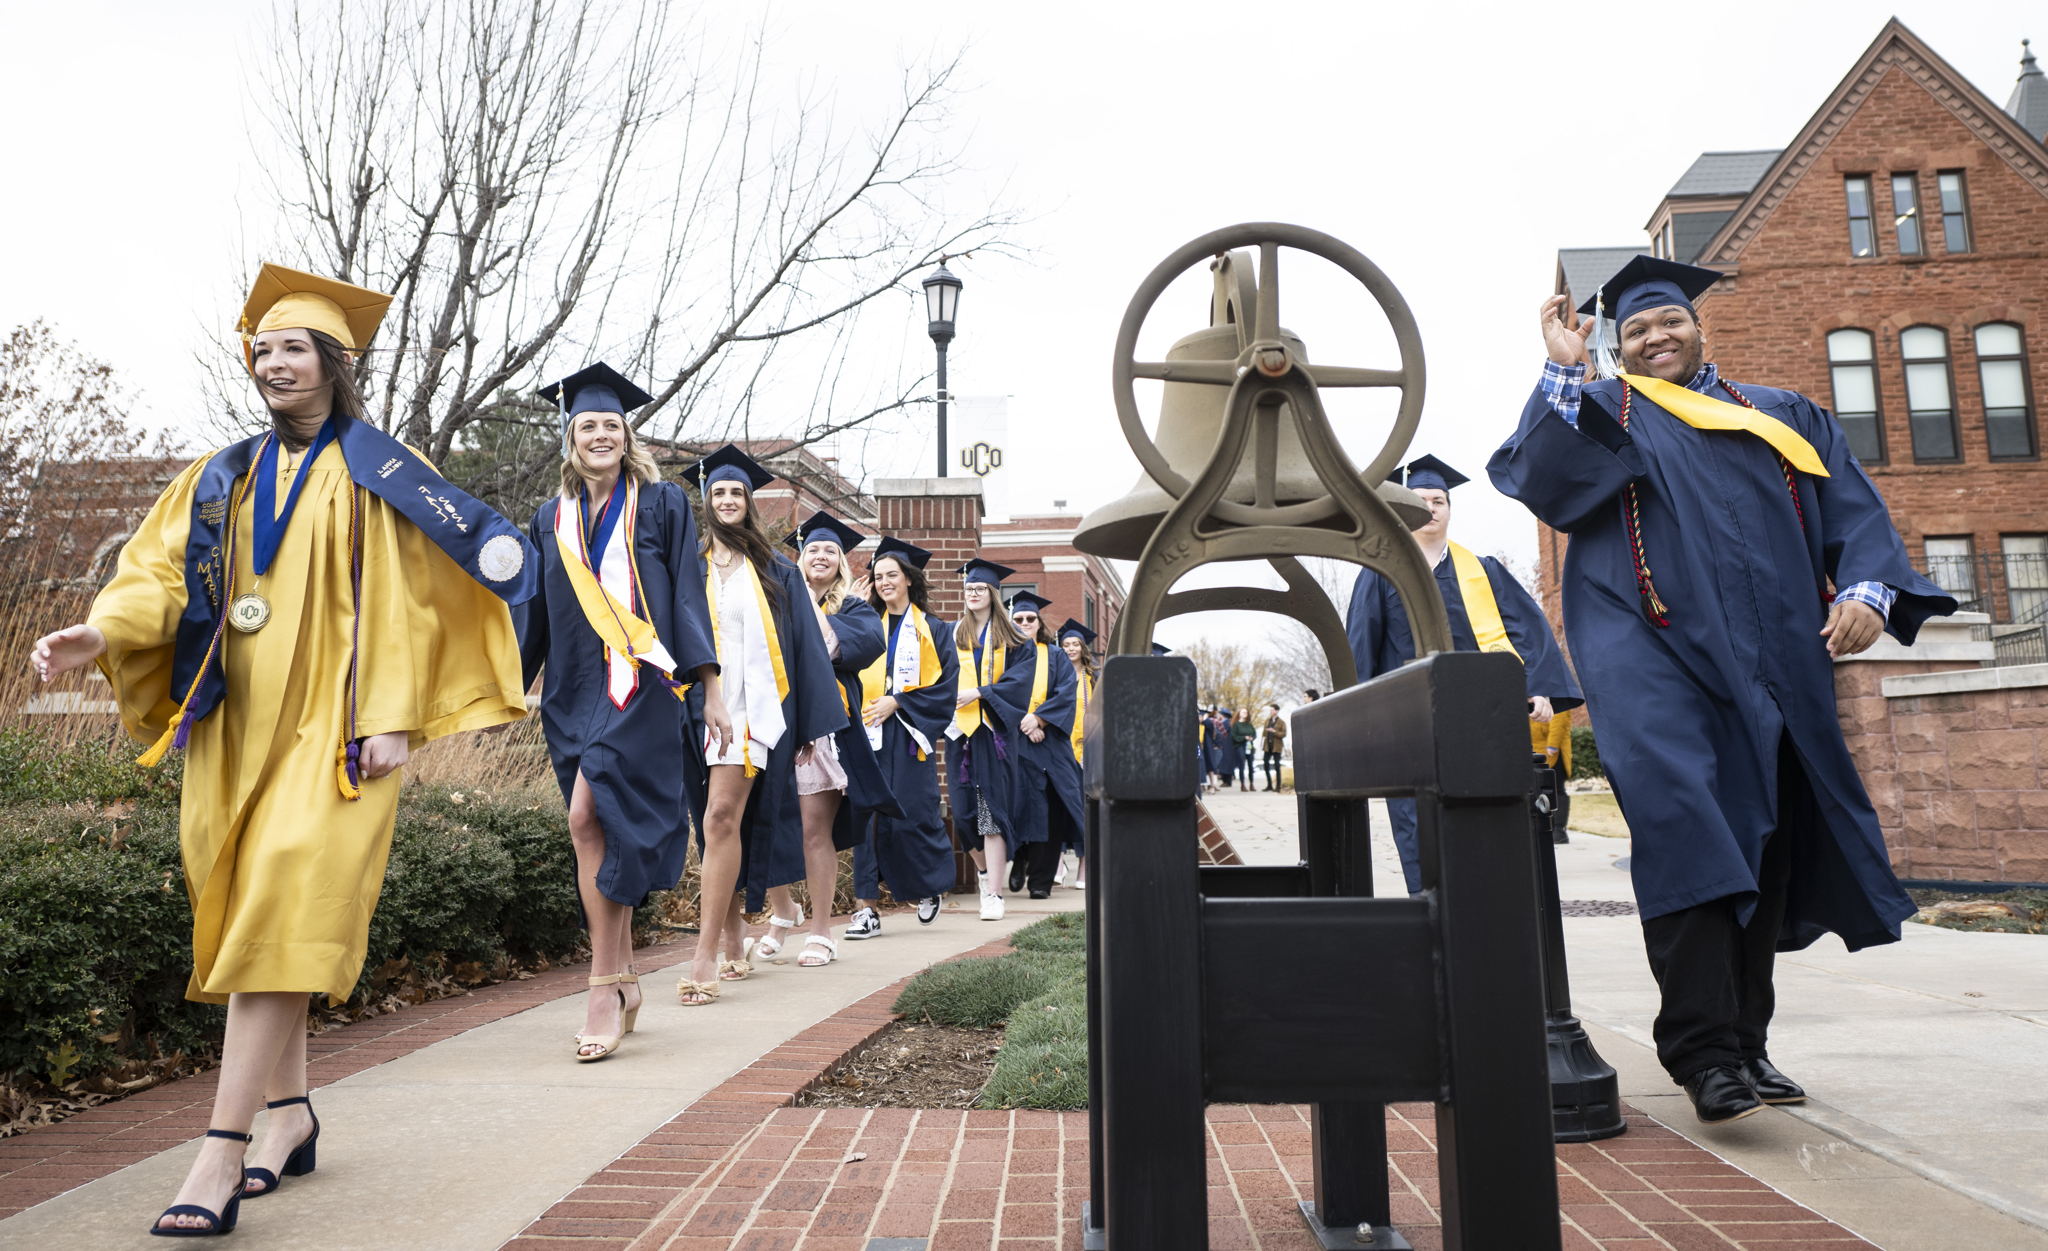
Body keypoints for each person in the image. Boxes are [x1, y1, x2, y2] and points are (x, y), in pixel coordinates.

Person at [31, 265, 535, 1235]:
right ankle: (289, 1116)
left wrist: (396, 714)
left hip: (339, 729)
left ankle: (216, 1156)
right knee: (252, 916)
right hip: (237, 726)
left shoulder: (382, 468)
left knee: (283, 903)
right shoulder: (223, 475)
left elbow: (423, 599)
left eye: (293, 347)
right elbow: (159, 575)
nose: (273, 362)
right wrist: (101, 634)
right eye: (262, 349)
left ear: (334, 363)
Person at [1490, 254, 1956, 1124]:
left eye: (1668, 322)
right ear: (1618, 347)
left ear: (1700, 327)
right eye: (1635, 330)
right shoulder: (1603, 409)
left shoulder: (1780, 416)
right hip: (1653, 656)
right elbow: (1545, 484)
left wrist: (1865, 589)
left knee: (1767, 836)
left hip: (1777, 657)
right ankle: (1703, 1054)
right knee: (1687, 829)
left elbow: (1857, 513)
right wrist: (1562, 364)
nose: (1656, 337)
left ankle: (1746, 1044)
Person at [517, 363, 724, 1059]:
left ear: (626, 433)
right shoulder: (551, 518)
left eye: (611, 424)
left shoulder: (662, 504)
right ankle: (625, 972)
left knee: (586, 815)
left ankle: (602, 985)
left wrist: (710, 685)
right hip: (574, 689)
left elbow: (688, 594)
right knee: (591, 830)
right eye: (587, 425)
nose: (600, 434)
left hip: (641, 689)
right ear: (570, 436)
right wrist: (512, 682)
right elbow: (536, 610)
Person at [1346, 452, 1584, 894]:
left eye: (1439, 500)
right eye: (1421, 500)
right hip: (1409, 727)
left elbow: (1526, 632)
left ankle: (1487, 914)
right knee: (1418, 827)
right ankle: (1430, 913)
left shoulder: (1483, 570)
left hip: (1481, 723)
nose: (1431, 508)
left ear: (1450, 509)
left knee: (1486, 824)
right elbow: (1361, 650)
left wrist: (1540, 688)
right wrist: (1360, 725)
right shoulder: (1381, 573)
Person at [673, 445, 843, 1005]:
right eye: (718, 492)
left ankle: (702, 956)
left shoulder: (776, 571)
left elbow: (804, 652)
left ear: (749, 503)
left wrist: (807, 728)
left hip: (752, 713)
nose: (727, 500)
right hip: (690, 705)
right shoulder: (686, 566)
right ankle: (731, 935)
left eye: (736, 493)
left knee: (722, 814)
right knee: (714, 823)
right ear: (707, 501)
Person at [780, 509, 901, 966]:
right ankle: (780, 912)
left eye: (831, 550)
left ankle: (820, 932)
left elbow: (840, 649)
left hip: (825, 726)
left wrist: (807, 601)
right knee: (767, 822)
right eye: (812, 549)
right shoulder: (776, 597)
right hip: (776, 723)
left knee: (815, 830)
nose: (822, 555)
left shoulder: (851, 607)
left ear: (842, 562)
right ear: (800, 556)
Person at [846, 537, 960, 938]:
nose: (884, 582)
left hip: (908, 732)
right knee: (866, 817)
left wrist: (898, 702)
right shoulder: (864, 622)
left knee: (915, 812)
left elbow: (946, 687)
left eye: (891, 575)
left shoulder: (935, 631)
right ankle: (866, 909)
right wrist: (851, 604)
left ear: (909, 579)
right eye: (877, 577)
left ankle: (927, 888)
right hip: (865, 731)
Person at [948, 558, 1027, 920]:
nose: (973, 594)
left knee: (991, 812)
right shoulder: (952, 634)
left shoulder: (1012, 639)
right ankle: (982, 872)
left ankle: (994, 894)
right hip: (959, 733)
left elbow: (1019, 685)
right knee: (964, 816)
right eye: (969, 589)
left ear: (993, 594)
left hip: (993, 733)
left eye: (980, 589)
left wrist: (980, 693)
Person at [1002, 591, 1084, 899]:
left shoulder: (1056, 655)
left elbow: (1066, 692)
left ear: (1039, 623)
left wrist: (1041, 720)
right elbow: (997, 691)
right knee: (1018, 806)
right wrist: (1024, 722)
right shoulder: (1004, 653)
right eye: (1019, 619)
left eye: (1030, 619)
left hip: (1049, 745)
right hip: (1013, 742)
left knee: (1049, 811)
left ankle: (1040, 881)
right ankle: (1020, 856)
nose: (1024, 623)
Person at [1055, 618, 1097, 888]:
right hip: (1059, 748)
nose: (1070, 649)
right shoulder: (1056, 673)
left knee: (1082, 809)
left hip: (1086, 751)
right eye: (1066, 644)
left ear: (1083, 648)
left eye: (1075, 644)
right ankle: (1056, 863)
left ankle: (1084, 866)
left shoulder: (1093, 678)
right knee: (1057, 807)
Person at [1259, 702, 1287, 791]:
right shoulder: (1267, 721)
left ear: (1277, 711)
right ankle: (1269, 785)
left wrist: (1274, 732)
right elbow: (1263, 733)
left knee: (1277, 766)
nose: (1271, 711)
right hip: (1267, 746)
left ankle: (1278, 787)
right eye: (1270, 710)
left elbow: (1284, 734)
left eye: (1272, 710)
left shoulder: (1282, 722)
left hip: (1276, 747)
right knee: (1266, 765)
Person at [1230, 707, 1257, 789]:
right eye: (1243, 712)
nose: (1245, 713)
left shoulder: (1249, 724)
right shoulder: (1236, 725)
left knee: (1250, 765)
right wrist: (1244, 738)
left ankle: (1251, 784)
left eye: (1246, 712)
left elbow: (1254, 733)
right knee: (1242, 765)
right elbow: (1234, 737)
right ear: (1239, 714)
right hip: (1240, 746)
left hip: (1249, 746)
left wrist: (1252, 737)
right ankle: (1242, 784)